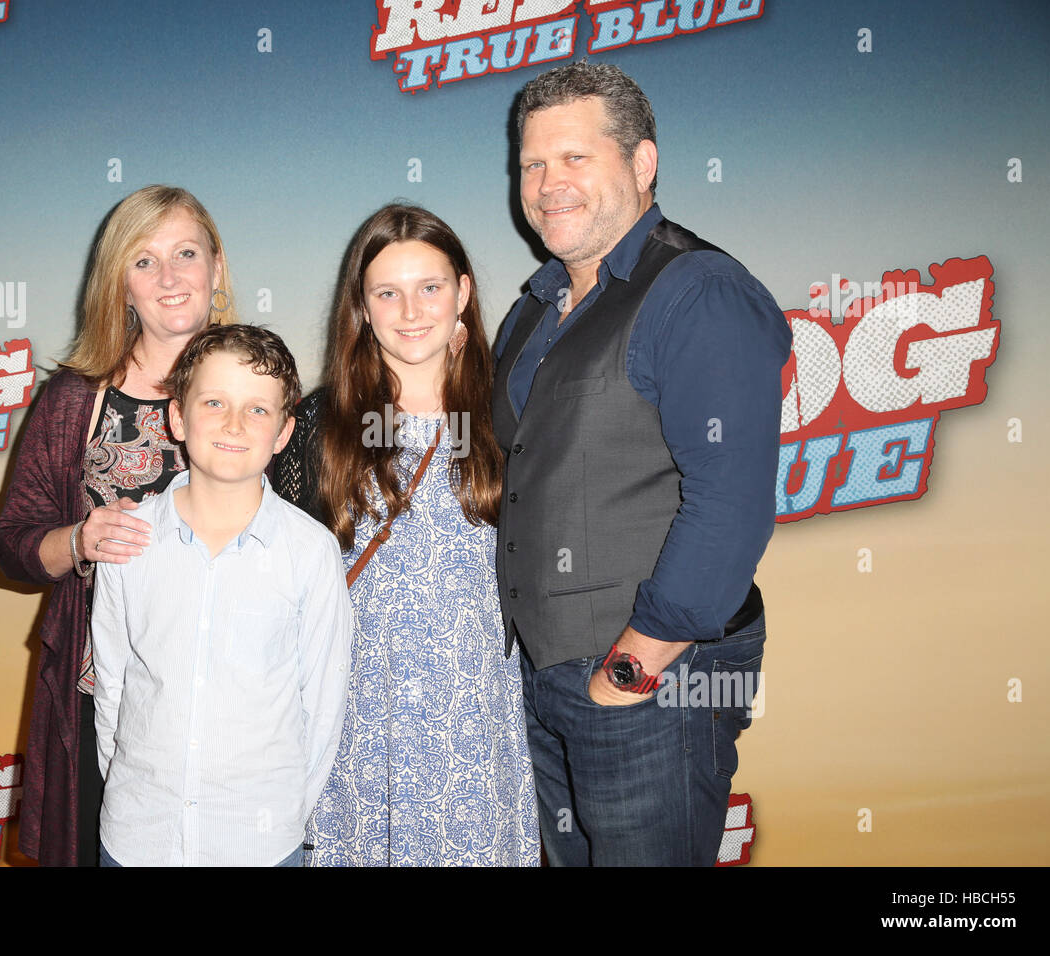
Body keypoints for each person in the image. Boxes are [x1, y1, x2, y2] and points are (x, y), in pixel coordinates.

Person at [494, 62, 792, 866]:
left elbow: (728, 507)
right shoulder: (531, 308)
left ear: (643, 163)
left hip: (650, 683)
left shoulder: (697, 291)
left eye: (575, 158)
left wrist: (627, 673)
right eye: (532, 164)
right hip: (547, 678)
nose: (549, 183)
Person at [274, 203, 539, 866]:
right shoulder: (321, 422)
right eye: (387, 292)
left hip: (478, 719)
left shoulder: (509, 412)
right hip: (358, 723)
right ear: (361, 307)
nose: (412, 310)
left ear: (464, 292)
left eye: (431, 287)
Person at [0, 185, 236, 866]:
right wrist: (76, 541)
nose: (170, 277)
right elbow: (11, 543)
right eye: (145, 260)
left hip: (231, 701)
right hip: (106, 702)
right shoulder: (76, 399)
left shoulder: (259, 389)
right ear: (120, 286)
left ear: (215, 268)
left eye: (186, 253)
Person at [92, 324, 352, 867]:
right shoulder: (129, 541)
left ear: (283, 433)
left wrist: (282, 820)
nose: (234, 424)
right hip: (137, 839)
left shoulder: (311, 553)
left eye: (258, 410)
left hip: (261, 845)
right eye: (215, 402)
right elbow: (112, 688)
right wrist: (134, 799)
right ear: (178, 417)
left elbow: (321, 708)